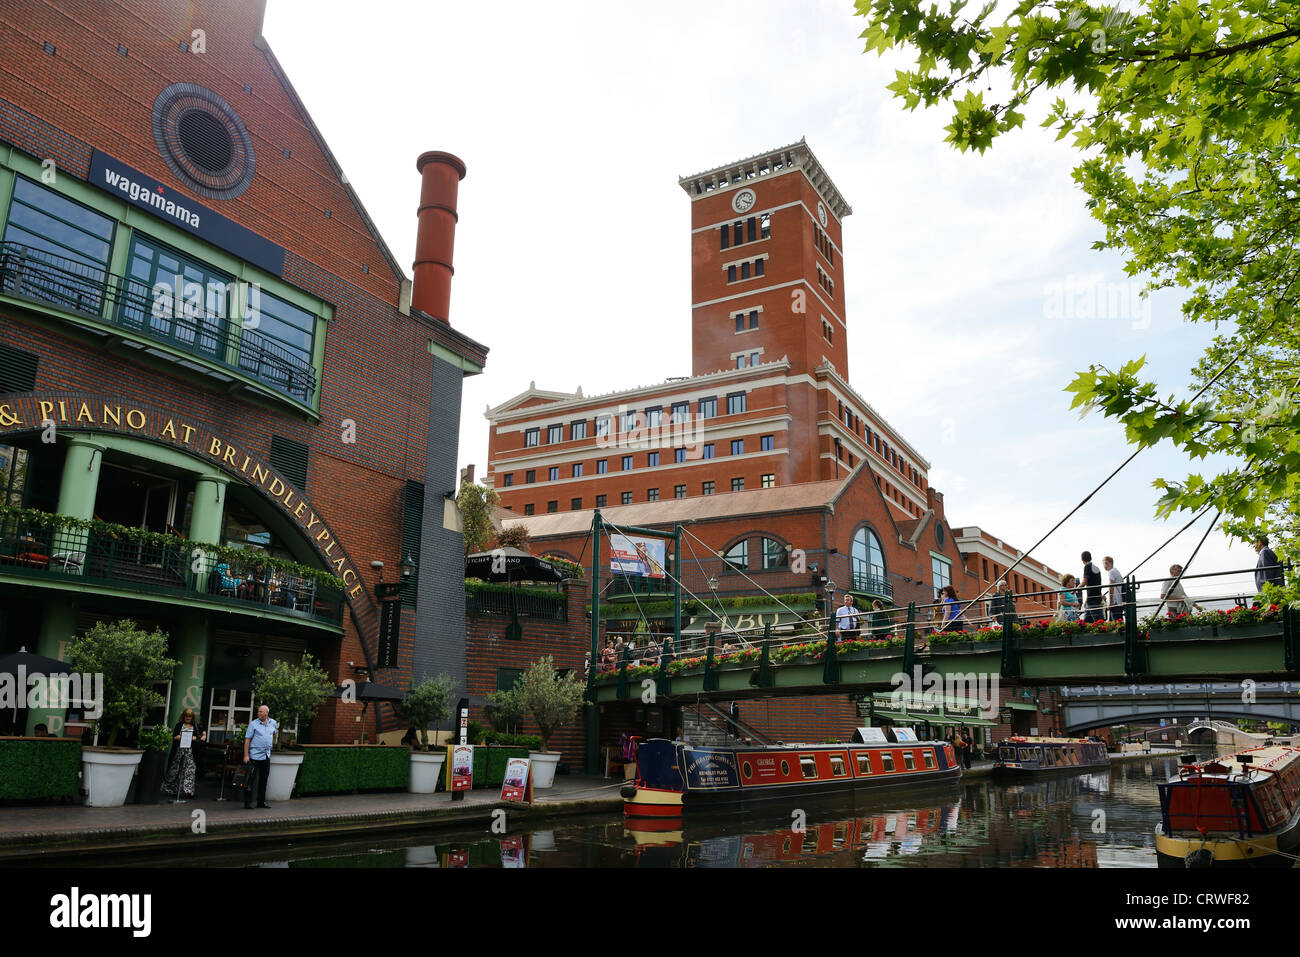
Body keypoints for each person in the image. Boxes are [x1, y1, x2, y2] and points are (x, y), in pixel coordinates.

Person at [161, 708, 206, 799]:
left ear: (192, 717)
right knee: (176, 770)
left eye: (190, 716)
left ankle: (189, 792)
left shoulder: (195, 726)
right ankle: (174, 790)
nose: (188, 718)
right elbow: (175, 736)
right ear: (183, 716)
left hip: (191, 752)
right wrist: (188, 737)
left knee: (190, 771)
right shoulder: (179, 725)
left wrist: (204, 735)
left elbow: (203, 731)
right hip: (179, 751)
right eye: (186, 716)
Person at [243, 704, 277, 809]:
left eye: (261, 711)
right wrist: (246, 755)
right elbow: (247, 740)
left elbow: (275, 733)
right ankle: (247, 803)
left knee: (264, 779)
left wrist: (271, 743)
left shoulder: (273, 723)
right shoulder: (253, 724)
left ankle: (261, 802)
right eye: (258, 711)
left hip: (266, 755)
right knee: (250, 780)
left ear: (266, 713)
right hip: (254, 756)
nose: (258, 713)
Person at [1080, 551, 1104, 622]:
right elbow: (1094, 584)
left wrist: (1074, 590)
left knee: (1099, 622)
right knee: (1086, 622)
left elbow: (1084, 583)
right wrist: (1086, 600)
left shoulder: (1087, 567)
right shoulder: (1097, 568)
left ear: (1082, 559)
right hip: (1095, 598)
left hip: (1092, 600)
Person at [1103, 556, 1124, 621]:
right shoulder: (1116, 571)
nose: (1104, 566)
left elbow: (1111, 587)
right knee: (1114, 622)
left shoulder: (1111, 572)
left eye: (1105, 563)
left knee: (1116, 622)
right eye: (1104, 564)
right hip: (1119, 600)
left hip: (1115, 602)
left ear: (1110, 563)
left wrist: (1111, 603)